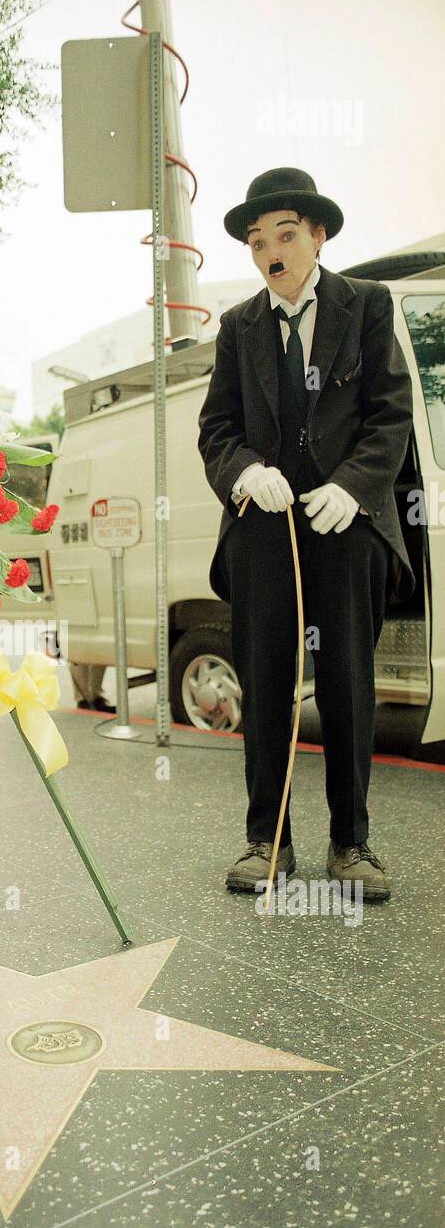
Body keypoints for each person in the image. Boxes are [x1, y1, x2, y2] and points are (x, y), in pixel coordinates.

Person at [197, 167, 415, 900]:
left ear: (317, 236)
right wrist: (243, 472)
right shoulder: (237, 327)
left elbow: (391, 414)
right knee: (264, 684)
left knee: (348, 683)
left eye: (284, 235)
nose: (270, 253)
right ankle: (267, 841)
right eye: (258, 242)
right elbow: (216, 429)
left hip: (346, 526)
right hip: (263, 530)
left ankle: (351, 845)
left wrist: (353, 489)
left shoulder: (368, 306)